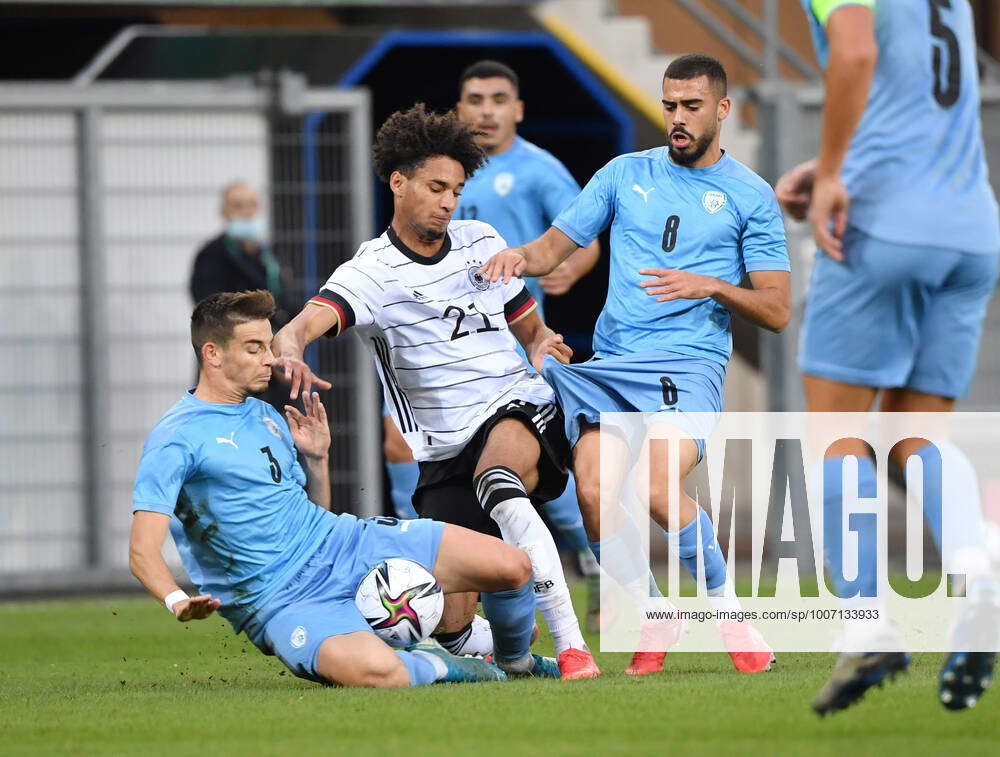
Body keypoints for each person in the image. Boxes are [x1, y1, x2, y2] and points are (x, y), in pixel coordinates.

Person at [480, 54, 789, 675]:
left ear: (722, 110)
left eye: (691, 106)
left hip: (688, 365)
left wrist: (711, 287)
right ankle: (655, 613)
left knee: (654, 485)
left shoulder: (750, 195)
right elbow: (551, 249)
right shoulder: (623, 175)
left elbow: (777, 310)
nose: (676, 118)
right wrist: (514, 257)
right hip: (613, 366)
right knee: (593, 492)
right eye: (669, 105)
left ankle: (729, 614)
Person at [271, 104, 600, 679]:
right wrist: (291, 349)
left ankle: (573, 647)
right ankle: (517, 660)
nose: (450, 202)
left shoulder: (482, 243)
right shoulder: (369, 274)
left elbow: (528, 325)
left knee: (499, 481)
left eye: (456, 189)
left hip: (516, 408)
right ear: (398, 183)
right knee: (454, 617)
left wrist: (544, 341)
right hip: (443, 449)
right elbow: (301, 324)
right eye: (436, 187)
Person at [776, 0, 1000, 715]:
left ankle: (867, 624)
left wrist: (836, 171)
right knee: (915, 436)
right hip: (970, 226)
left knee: (835, 432)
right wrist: (838, 157)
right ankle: (979, 570)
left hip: (881, 226)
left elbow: (856, 54)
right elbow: (923, 94)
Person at [129, 289, 527, 688]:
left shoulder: (265, 415)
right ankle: (450, 665)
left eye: (268, 345)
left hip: (343, 543)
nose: (270, 358)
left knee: (512, 567)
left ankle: (517, 662)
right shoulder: (175, 439)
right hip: (281, 598)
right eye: (254, 348)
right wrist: (176, 600)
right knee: (379, 672)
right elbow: (142, 551)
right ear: (212, 354)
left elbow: (315, 508)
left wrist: (318, 459)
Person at [455, 59, 603, 632]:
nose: (486, 109)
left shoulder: (540, 170)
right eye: (475, 98)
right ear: (459, 108)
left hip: (513, 348)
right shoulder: (444, 171)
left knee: (526, 468)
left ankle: (589, 555)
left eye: (498, 98)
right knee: (413, 455)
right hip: (442, 346)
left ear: (517, 108)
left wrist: (574, 269)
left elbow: (582, 236)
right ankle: (440, 581)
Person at [190, 182, 297, 410]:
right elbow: (209, 309)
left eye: (252, 205)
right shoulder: (212, 256)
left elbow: (286, 300)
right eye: (238, 205)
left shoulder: (269, 254)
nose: (246, 211)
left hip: (272, 359)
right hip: (230, 360)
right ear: (224, 211)